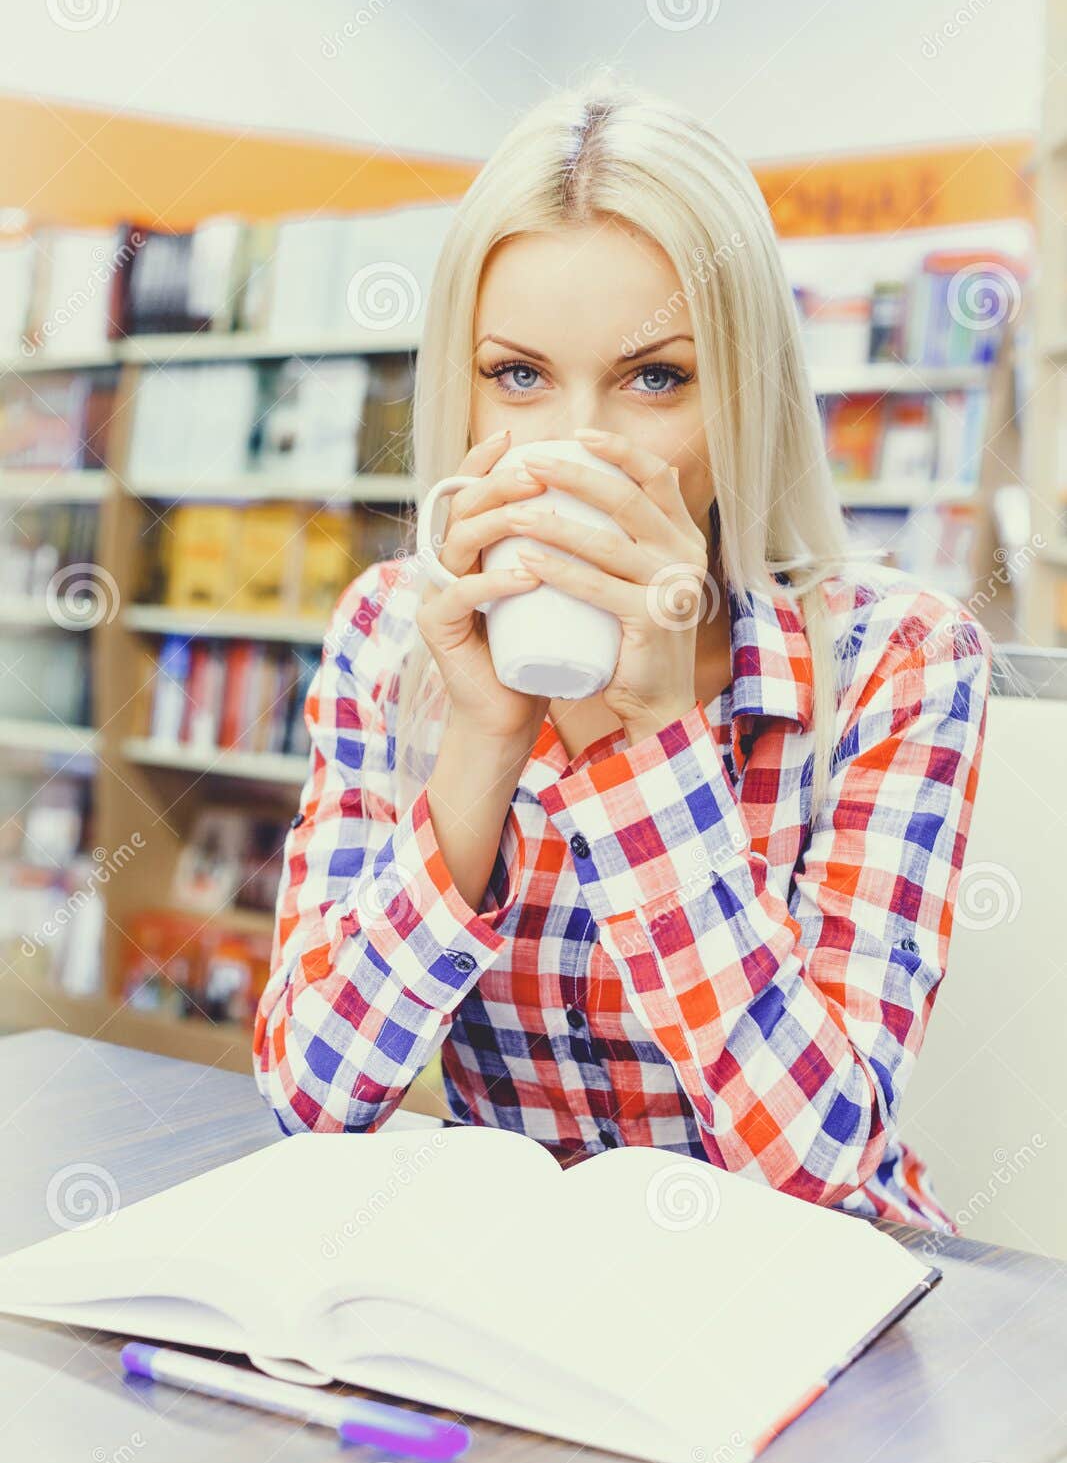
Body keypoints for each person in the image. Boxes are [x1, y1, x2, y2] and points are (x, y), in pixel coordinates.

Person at [253, 77, 992, 1234]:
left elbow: (815, 1165)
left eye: (656, 378)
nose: (577, 449)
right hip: (526, 1295)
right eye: (517, 376)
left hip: (808, 1292)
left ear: (742, 390)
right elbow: (310, 1095)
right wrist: (482, 747)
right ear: (459, 387)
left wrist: (648, 746)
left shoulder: (896, 658)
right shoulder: (392, 637)